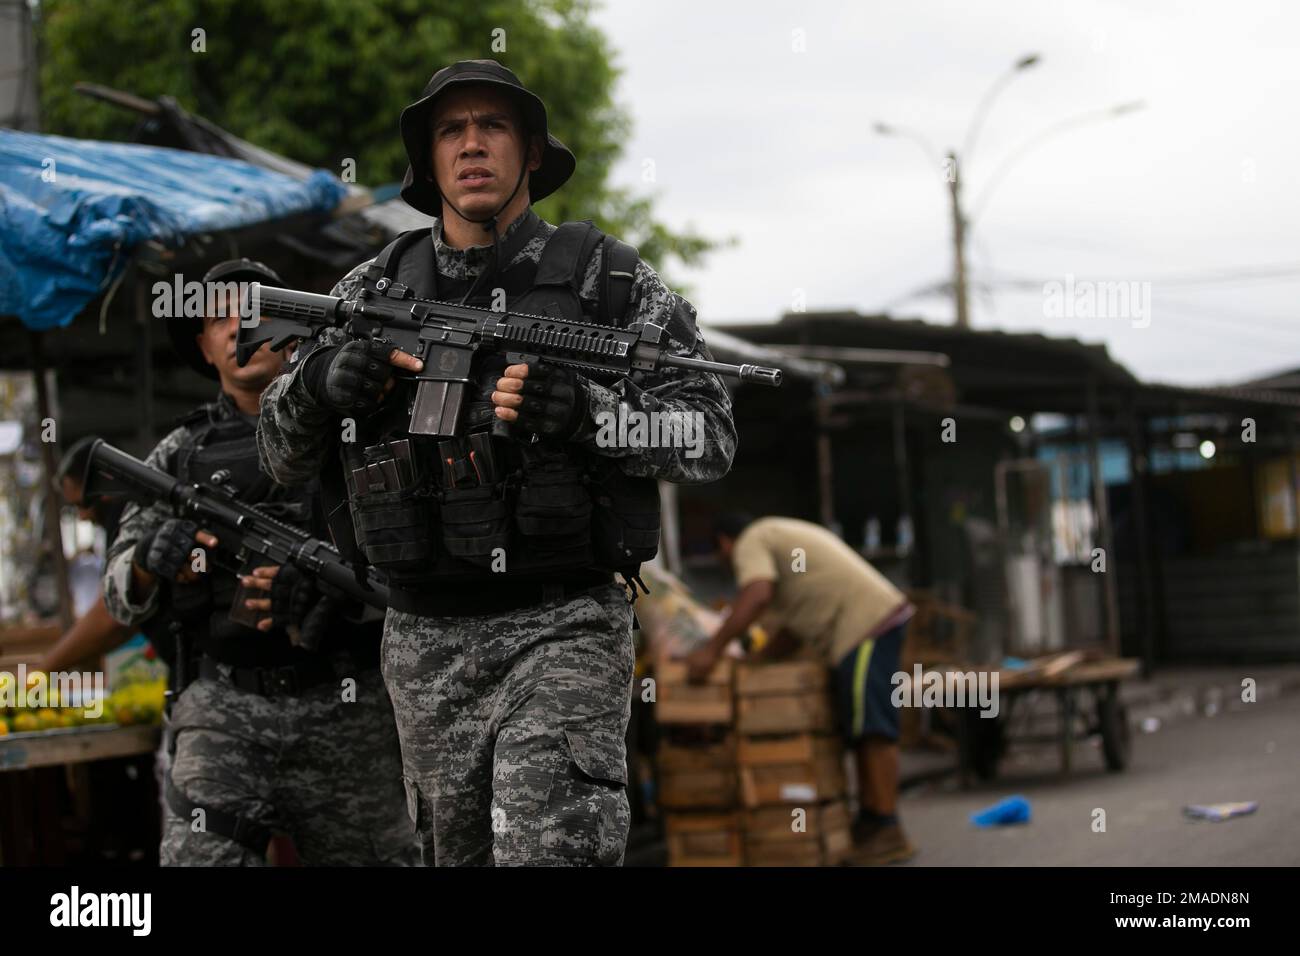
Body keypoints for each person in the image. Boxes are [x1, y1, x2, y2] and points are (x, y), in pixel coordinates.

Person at [256, 59, 736, 865]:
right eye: (452, 130)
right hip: (422, 639)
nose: (472, 145)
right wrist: (317, 384)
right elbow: (280, 455)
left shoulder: (606, 282)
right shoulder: (370, 287)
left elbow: (708, 437)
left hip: (561, 626)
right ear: (428, 160)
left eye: (494, 126)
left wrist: (591, 416)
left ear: (532, 153)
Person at [101, 259, 417, 866]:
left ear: (293, 327)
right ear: (203, 345)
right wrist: (149, 559)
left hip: (348, 704)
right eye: (218, 317)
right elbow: (119, 595)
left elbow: (413, 567)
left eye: (254, 309)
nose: (237, 327)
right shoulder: (177, 456)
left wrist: (336, 587)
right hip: (225, 707)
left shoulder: (359, 429)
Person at [687, 513, 917, 865]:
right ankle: (873, 822)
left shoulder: (752, 540)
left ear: (725, 543)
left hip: (865, 624)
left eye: (721, 558)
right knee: (860, 729)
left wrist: (712, 650)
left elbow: (756, 594)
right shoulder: (781, 547)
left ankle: (887, 826)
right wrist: (753, 665)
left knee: (873, 729)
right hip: (868, 623)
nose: (728, 566)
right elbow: (791, 634)